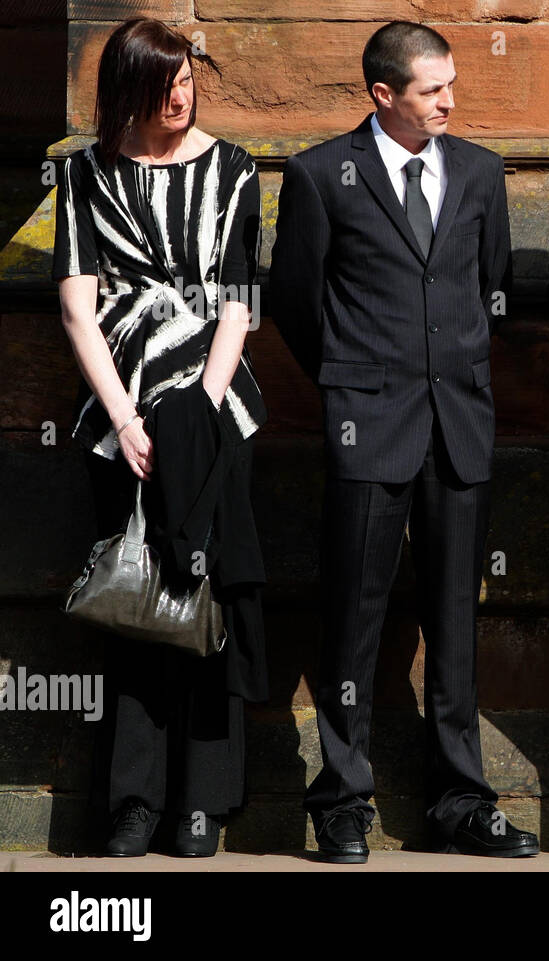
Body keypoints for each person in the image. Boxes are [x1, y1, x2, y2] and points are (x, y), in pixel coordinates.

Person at [270, 21, 536, 863]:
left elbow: (489, 282)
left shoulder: (483, 172)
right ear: (384, 95)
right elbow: (297, 303)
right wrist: (352, 384)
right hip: (366, 426)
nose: (451, 101)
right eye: (432, 89)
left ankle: (462, 802)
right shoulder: (321, 176)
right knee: (354, 617)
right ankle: (341, 800)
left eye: (454, 84)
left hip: (459, 427)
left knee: (456, 621)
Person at [54, 18, 268, 858]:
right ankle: (133, 803)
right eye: (165, 84)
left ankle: (202, 803)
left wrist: (196, 416)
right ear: (129, 90)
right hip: (120, 421)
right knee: (134, 602)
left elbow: (240, 301)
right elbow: (77, 304)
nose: (182, 96)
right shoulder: (83, 175)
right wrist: (125, 417)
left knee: (206, 603)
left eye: (189, 81)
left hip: (215, 416)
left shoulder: (236, 171)